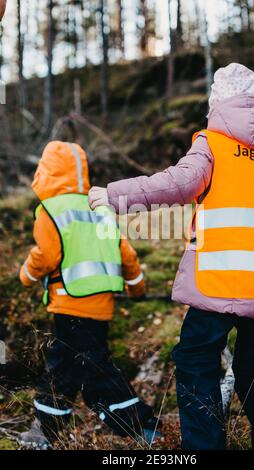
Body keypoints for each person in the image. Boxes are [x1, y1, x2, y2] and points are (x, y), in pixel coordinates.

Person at [88, 63, 254, 450]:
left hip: (218, 282)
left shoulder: (213, 141)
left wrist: (117, 194)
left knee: (195, 362)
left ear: (217, 102)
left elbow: (180, 182)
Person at [19, 141, 159, 449]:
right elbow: (126, 254)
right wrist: (137, 287)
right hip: (101, 308)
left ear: (46, 172)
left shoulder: (50, 210)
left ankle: (44, 434)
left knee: (69, 370)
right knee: (87, 366)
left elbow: (46, 256)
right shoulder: (99, 209)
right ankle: (139, 424)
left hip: (70, 305)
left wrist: (26, 275)